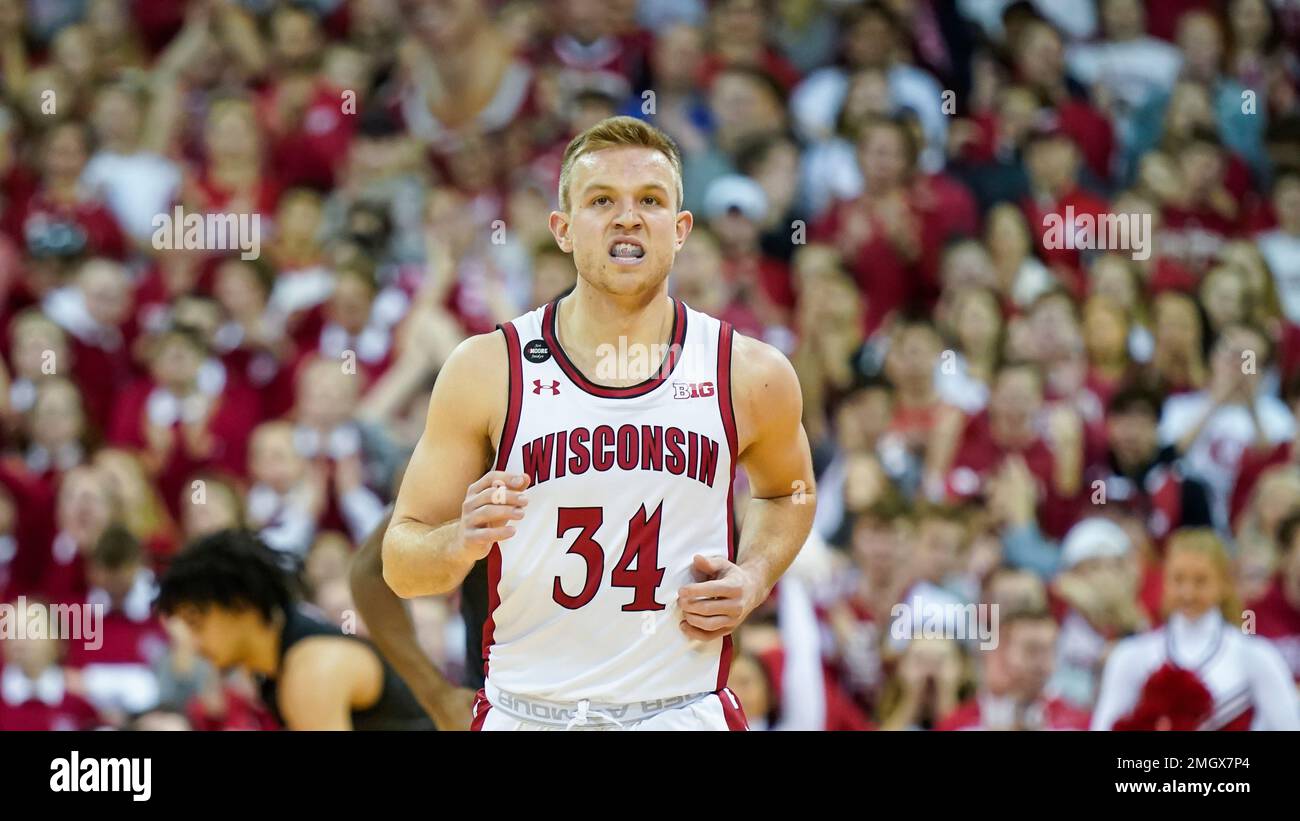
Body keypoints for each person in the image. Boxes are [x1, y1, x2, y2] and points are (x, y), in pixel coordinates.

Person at [382, 116, 816, 731]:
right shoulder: (488, 368)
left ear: (681, 229)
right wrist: (458, 542)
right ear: (561, 229)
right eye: (601, 200)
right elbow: (399, 564)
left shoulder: (749, 372)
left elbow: (788, 492)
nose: (628, 217)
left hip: (680, 709)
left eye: (650, 201)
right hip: (526, 711)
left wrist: (754, 576)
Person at [157, 528, 435, 731]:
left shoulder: (310, 671)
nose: (193, 643)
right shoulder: (277, 661)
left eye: (196, 624)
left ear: (240, 605)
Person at [1092, 528, 1300, 730]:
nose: (1187, 593)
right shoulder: (1132, 655)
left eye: (1200, 581)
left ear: (1224, 584)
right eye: (1178, 579)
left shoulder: (1255, 655)